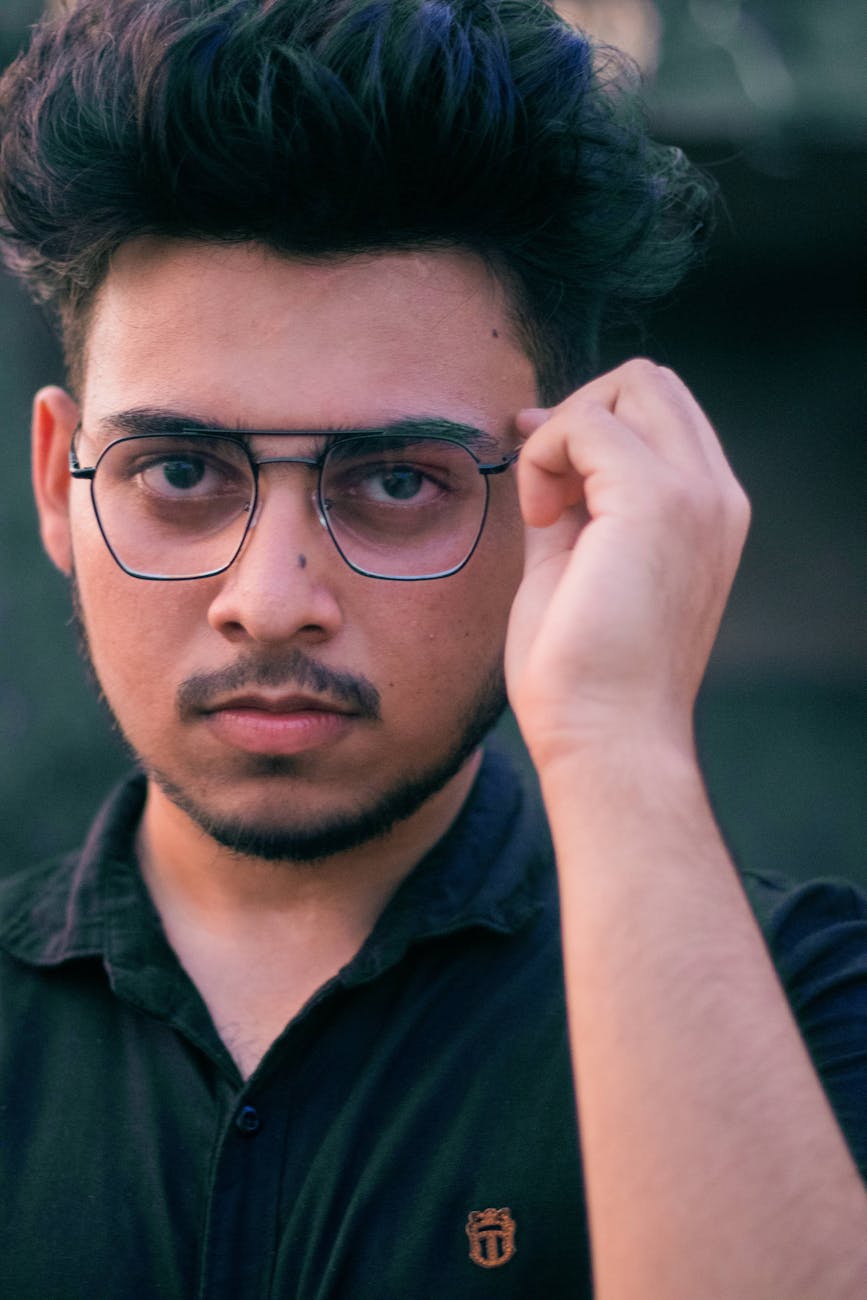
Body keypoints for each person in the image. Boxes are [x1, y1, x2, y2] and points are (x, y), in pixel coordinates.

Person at [0, 1, 865, 1296]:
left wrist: (617, 743)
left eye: (396, 483)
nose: (273, 598)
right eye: (179, 470)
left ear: (559, 490)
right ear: (62, 485)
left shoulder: (797, 1012)